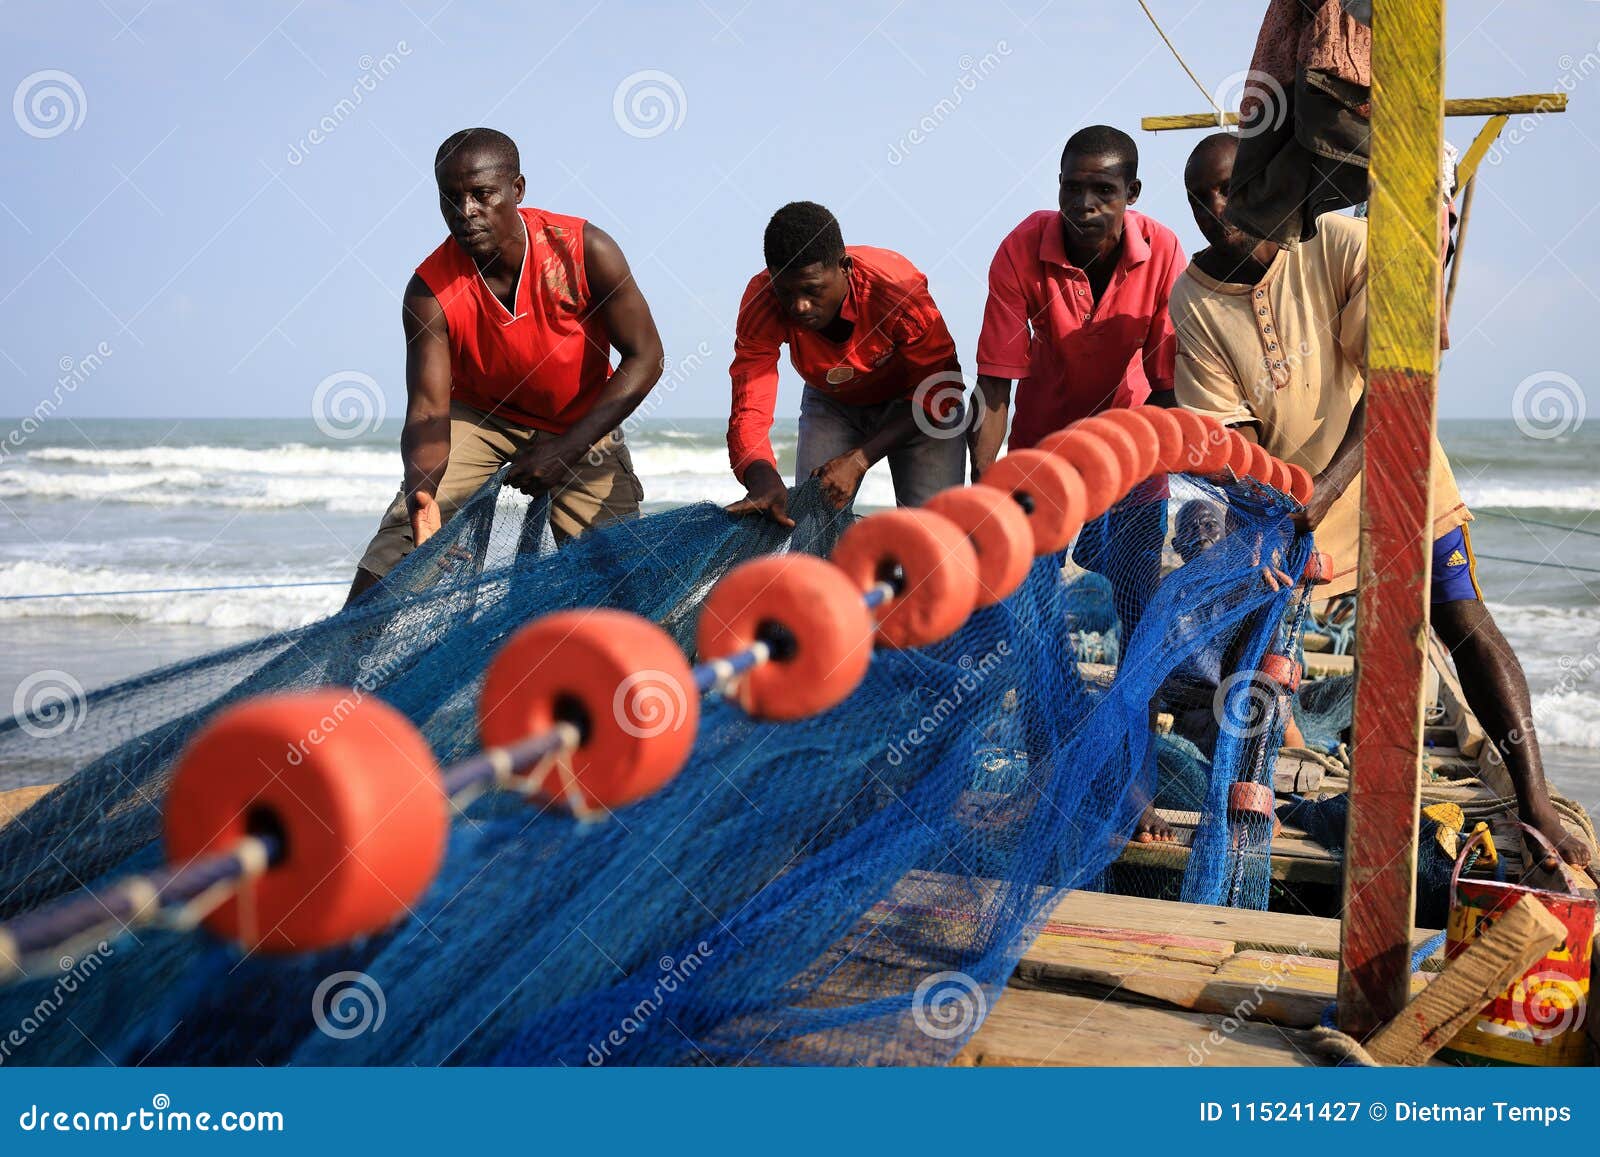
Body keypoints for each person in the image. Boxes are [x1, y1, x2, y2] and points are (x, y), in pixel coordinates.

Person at [1171, 132, 1590, 868]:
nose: (1219, 208)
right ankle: (1245, 814)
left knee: (1461, 620)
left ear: (1264, 188)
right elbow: (1232, 440)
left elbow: (1393, 378)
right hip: (1295, 501)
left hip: (1399, 470)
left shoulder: (1335, 241)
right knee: (1252, 639)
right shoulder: (1195, 300)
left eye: (1233, 188)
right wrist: (1277, 519)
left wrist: (1327, 485)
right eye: (1201, 197)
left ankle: (1535, 804)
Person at [347, 127, 663, 603]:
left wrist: (568, 448)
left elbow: (646, 357)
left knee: (616, 575)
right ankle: (335, 663)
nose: (465, 213)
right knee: (405, 541)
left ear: (516, 190)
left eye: (481, 195)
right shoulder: (428, 289)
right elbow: (430, 411)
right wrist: (422, 500)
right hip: (481, 416)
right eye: (450, 198)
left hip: (577, 418)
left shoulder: (584, 250)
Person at [971, 125, 1187, 640]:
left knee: (1138, 596)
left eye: (1104, 192)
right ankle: (1040, 713)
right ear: (1059, 185)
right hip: (1041, 447)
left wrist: (1124, 465)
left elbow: (1167, 386)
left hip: (1131, 445)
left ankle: (1134, 712)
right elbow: (994, 385)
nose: (1084, 204)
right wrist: (983, 490)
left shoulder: (1163, 251)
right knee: (1029, 600)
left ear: (1131, 195)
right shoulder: (1021, 249)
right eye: (1073, 188)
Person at [724, 201, 966, 526]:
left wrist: (860, 459)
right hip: (833, 401)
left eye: (813, 289)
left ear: (845, 267)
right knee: (810, 532)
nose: (799, 305)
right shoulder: (762, 300)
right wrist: (761, 476)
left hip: (917, 404)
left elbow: (943, 388)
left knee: (931, 537)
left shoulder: (895, 288)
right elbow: (749, 407)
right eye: (786, 292)